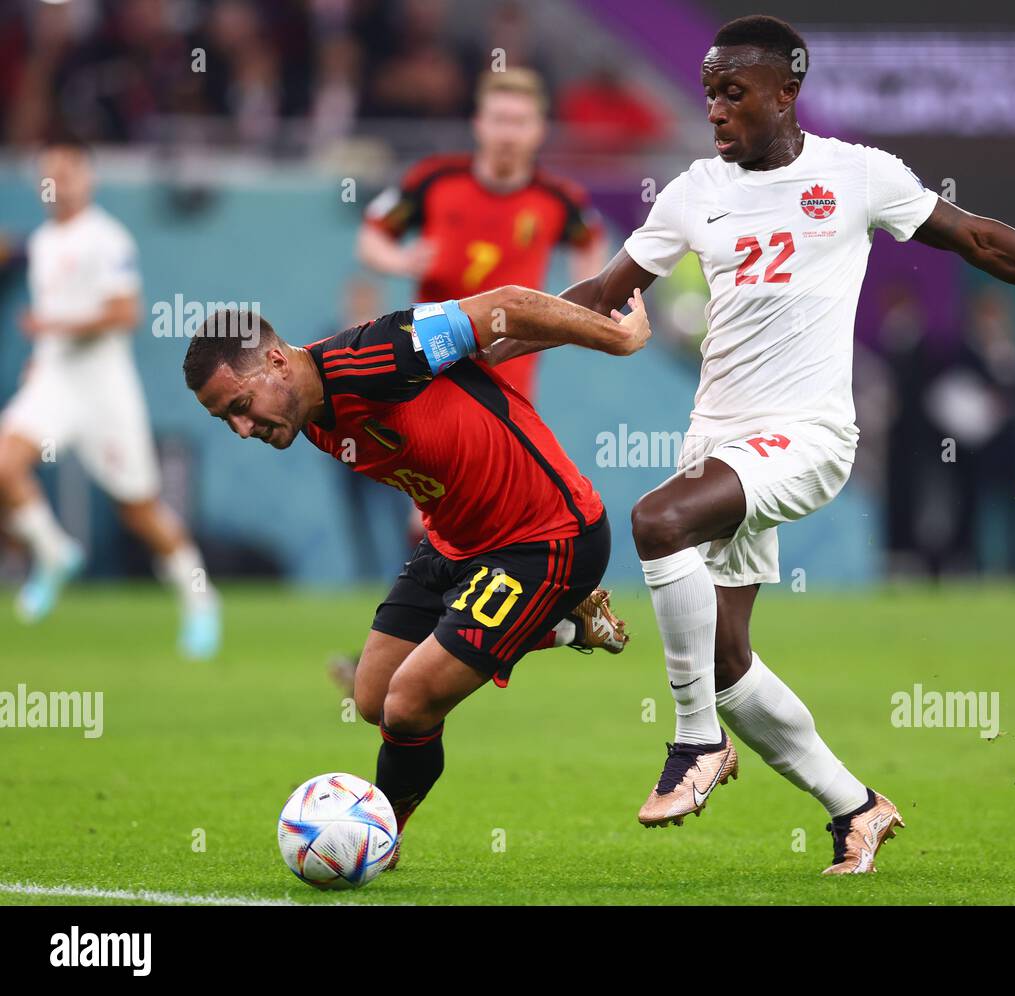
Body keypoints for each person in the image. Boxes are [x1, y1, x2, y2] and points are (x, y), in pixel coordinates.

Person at [483, 14, 1015, 875]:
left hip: (808, 437)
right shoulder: (696, 189)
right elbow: (597, 292)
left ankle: (694, 744)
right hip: (721, 439)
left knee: (657, 521)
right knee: (730, 664)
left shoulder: (857, 176)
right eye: (708, 95)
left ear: (786, 92)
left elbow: (980, 239)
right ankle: (856, 808)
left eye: (733, 94)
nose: (716, 112)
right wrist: (483, 347)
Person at [182, 284, 649, 864]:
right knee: (372, 696)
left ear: (277, 362)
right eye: (225, 419)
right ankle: (567, 627)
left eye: (239, 406)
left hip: (546, 538)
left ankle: (380, 834)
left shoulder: (375, 355)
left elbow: (506, 305)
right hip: (454, 546)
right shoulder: (307, 412)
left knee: (408, 705)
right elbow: (482, 355)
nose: (242, 430)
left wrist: (618, 337)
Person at [0, 138, 220, 658]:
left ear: (89, 178)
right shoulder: (46, 243)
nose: (58, 184)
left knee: (138, 509)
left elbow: (125, 313)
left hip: (104, 390)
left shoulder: (107, 238)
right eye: (49, 174)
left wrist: (55, 325)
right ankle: (53, 552)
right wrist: (46, 349)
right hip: (54, 382)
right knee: (5, 465)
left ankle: (200, 598)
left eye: (68, 172)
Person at [357, 67, 607, 403]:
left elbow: (590, 240)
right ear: (479, 124)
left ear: (539, 130)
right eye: (500, 119)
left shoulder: (560, 199)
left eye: (519, 122)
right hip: (429, 363)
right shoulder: (433, 179)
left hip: (507, 379)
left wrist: (580, 301)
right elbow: (372, 235)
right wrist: (400, 260)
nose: (508, 134)